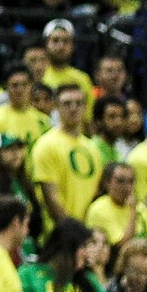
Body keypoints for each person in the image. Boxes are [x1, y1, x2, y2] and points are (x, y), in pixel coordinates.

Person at [32, 84, 101, 233]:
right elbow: (50, 197)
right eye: (67, 103)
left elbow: (96, 193)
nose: (73, 108)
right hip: (58, 234)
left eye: (78, 103)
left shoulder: (92, 148)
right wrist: (72, 232)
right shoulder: (46, 144)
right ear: (56, 106)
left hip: (88, 233)